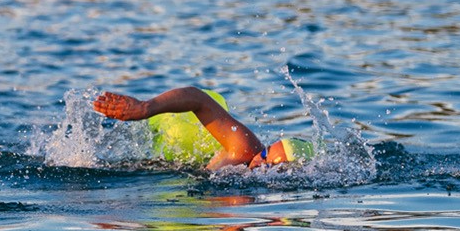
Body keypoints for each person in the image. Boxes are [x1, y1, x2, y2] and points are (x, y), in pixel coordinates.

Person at [92, 87, 310, 169]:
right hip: (182, 122)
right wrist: (144, 108)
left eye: (270, 166)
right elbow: (197, 98)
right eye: (265, 152)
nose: (259, 161)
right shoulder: (245, 149)